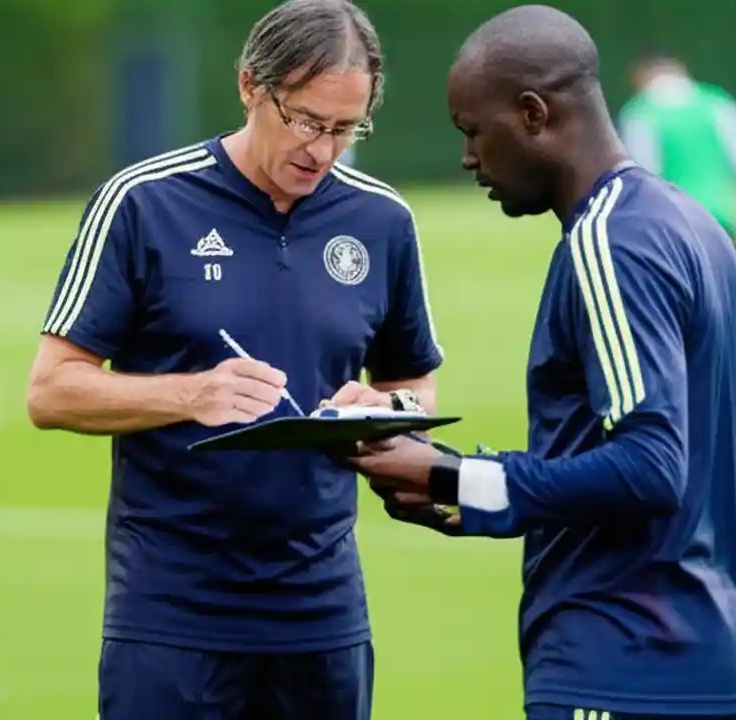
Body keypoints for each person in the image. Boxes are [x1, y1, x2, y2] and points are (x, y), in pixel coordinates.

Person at [26, 2, 442, 718]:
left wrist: (378, 413)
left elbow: (415, 390)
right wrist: (189, 396)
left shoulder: (382, 221)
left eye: (347, 129)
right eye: (309, 121)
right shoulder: (143, 203)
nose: (323, 149)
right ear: (251, 86)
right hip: (172, 611)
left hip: (322, 607)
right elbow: (52, 391)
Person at [350, 6, 736, 719]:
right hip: (716, 656)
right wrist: (468, 490)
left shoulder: (608, 244)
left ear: (534, 113)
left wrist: (457, 476)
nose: (468, 158)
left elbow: (652, 466)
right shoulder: (695, 227)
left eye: (473, 131)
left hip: (624, 662)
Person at [619, 53, 736, 401]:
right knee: (723, 296)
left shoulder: (641, 112)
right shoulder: (716, 102)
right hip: (721, 217)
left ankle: (704, 380)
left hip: (671, 223)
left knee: (677, 304)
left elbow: (642, 173)